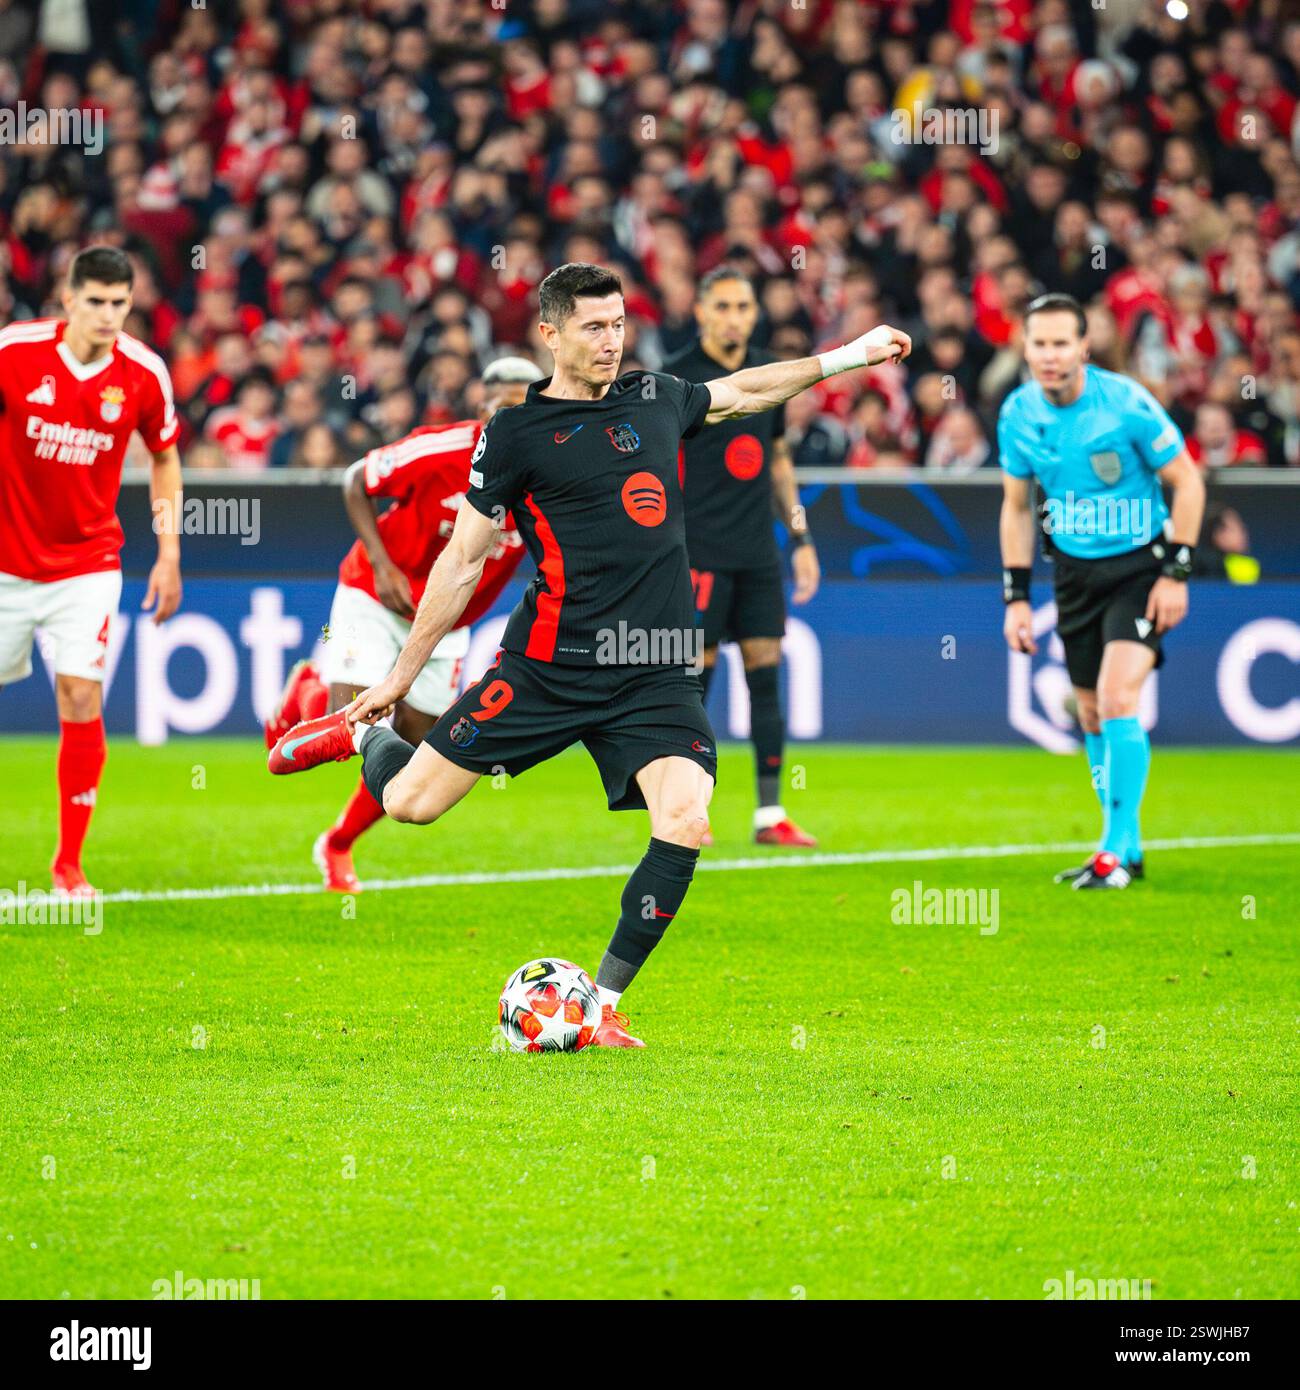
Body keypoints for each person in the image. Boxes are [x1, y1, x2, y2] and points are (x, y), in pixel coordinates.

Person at [269, 262, 909, 1044]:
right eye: (593, 328)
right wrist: (397, 680)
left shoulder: (656, 397)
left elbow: (745, 389)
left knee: (685, 818)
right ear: (552, 334)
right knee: (410, 805)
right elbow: (463, 561)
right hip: (547, 667)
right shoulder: (513, 434)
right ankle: (359, 732)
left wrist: (852, 354)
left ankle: (601, 1006)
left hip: (655, 667)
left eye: (618, 325)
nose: (612, 342)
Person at [262, 357, 540, 891]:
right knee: (358, 718)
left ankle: (337, 843)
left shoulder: (544, 474)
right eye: (508, 405)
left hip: (444, 620)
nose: (520, 416)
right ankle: (311, 693)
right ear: (483, 409)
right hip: (375, 590)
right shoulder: (440, 449)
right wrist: (383, 563)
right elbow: (355, 480)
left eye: (529, 405)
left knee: (413, 755)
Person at [998, 293, 1206, 889]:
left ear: (1084, 348)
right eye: (1040, 343)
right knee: (1090, 712)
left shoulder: (1126, 404)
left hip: (1140, 569)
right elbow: (1015, 508)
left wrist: (1177, 572)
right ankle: (1128, 848)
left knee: (1118, 700)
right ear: (1026, 347)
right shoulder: (1017, 414)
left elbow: (1187, 484)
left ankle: (1111, 853)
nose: (1051, 355)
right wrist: (1015, 596)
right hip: (1073, 576)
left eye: (1063, 343)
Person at [0, 246, 182, 895]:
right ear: (68, 298)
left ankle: (68, 864)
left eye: (120, 304)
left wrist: (168, 553)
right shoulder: (14, 352)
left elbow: (164, 458)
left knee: (80, 694)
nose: (109, 315)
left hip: (87, 563)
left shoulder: (142, 372)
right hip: (6, 563)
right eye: (97, 302)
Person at [665, 266, 820, 847]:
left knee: (766, 679)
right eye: (723, 306)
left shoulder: (770, 374)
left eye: (744, 307)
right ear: (702, 310)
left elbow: (778, 461)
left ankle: (769, 815)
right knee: (693, 684)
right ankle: (687, 809)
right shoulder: (677, 377)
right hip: (696, 555)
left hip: (757, 554)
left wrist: (800, 537)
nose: (734, 317)